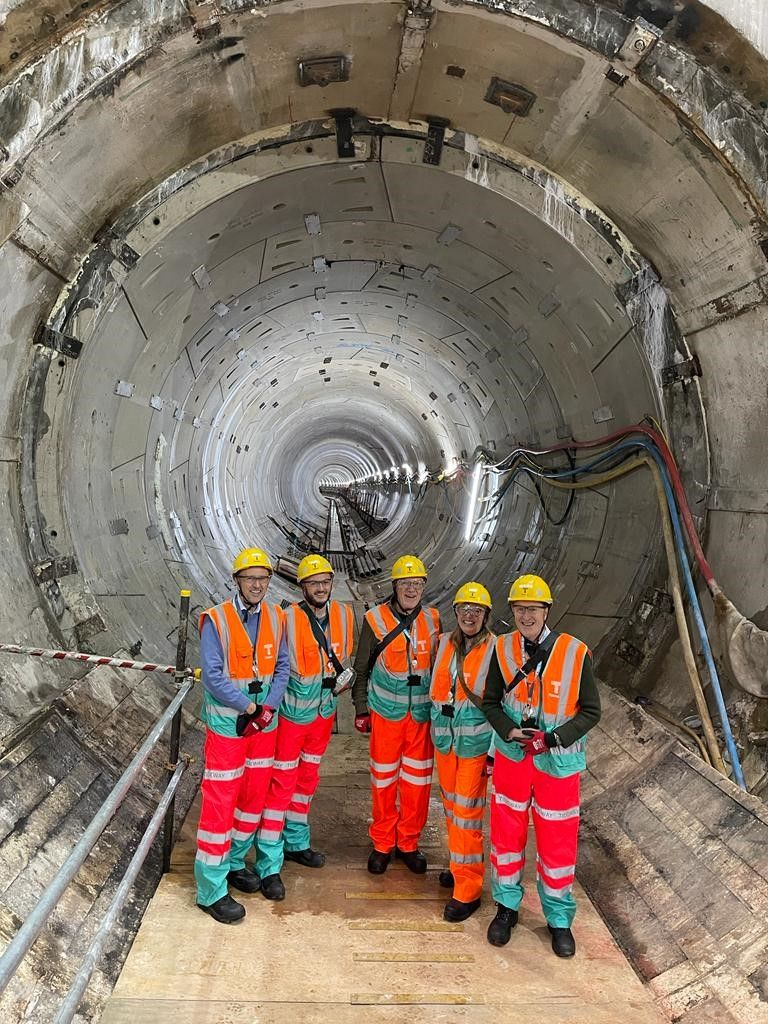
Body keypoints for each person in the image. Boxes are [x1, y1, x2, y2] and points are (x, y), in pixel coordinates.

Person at [481, 574, 601, 957]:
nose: (525, 616)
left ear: (547, 610)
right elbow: (490, 702)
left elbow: (592, 711)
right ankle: (506, 908)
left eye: (532, 609)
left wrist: (552, 738)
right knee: (506, 837)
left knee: (558, 845)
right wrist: (510, 731)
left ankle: (559, 919)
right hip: (514, 760)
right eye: (519, 609)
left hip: (556, 764)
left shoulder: (574, 652)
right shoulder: (502, 650)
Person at [195, 547, 289, 924]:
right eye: (250, 578)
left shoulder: (276, 616)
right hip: (229, 728)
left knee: (252, 798)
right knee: (220, 805)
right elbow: (214, 677)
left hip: (263, 725)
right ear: (236, 580)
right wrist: (249, 708)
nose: (257, 584)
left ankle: (234, 863)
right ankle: (211, 890)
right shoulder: (215, 620)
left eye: (263, 578)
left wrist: (268, 707)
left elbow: (282, 667)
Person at [255, 554, 355, 900]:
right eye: (314, 583)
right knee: (280, 784)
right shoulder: (286, 619)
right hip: (292, 717)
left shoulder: (343, 614)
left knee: (307, 780)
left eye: (325, 582)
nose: (321, 588)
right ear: (302, 587)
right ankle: (269, 863)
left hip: (323, 713)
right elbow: (276, 666)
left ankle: (297, 842)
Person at [352, 555, 441, 874]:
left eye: (417, 584)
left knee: (418, 784)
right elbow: (361, 668)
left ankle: (408, 843)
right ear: (395, 586)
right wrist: (361, 708)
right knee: (384, 782)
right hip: (386, 716)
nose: (412, 589)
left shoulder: (433, 619)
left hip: (420, 717)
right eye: (406, 584)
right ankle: (382, 843)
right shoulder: (374, 620)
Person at [430, 582, 496, 922]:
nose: (469, 616)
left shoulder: (497, 650)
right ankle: (458, 866)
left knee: (468, 816)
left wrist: (495, 752)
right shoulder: (442, 644)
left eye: (477, 611)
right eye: (464, 610)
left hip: (474, 746)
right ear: (455, 613)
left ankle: (468, 890)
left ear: (485, 616)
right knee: (452, 811)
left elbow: (503, 704)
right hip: (446, 742)